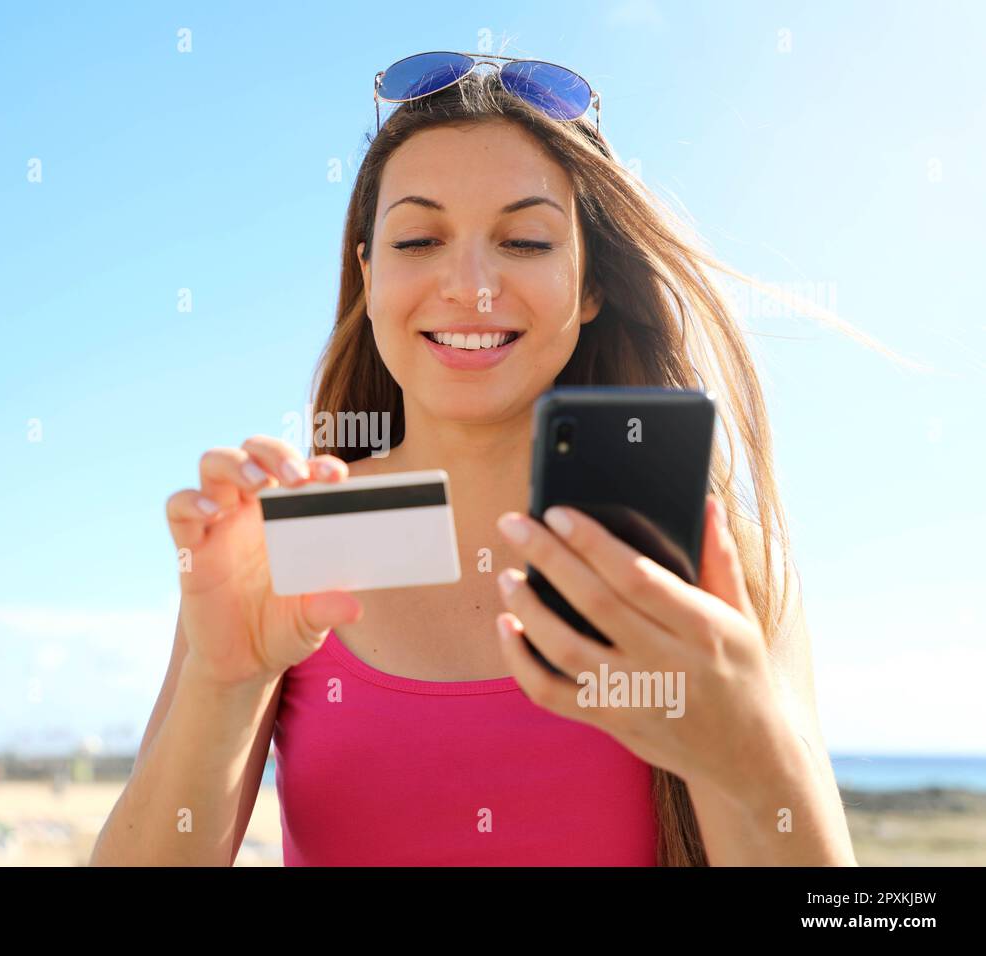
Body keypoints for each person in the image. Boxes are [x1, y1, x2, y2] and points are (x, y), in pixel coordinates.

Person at [91, 54, 857, 866]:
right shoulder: (301, 543)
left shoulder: (713, 562)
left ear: (591, 284)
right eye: (419, 239)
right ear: (368, 274)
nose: (472, 286)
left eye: (524, 241)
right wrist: (223, 681)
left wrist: (746, 751)